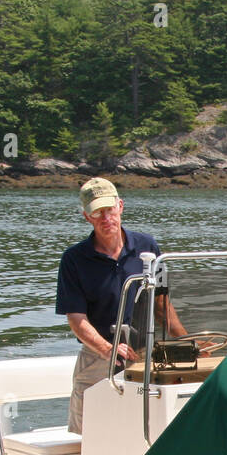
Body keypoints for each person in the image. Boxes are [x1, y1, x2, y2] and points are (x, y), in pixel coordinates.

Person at [55, 177, 184, 433]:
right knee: (89, 434)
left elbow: (162, 304)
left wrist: (186, 341)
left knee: (147, 427)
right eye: (97, 213)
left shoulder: (147, 247)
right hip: (97, 357)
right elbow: (76, 319)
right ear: (86, 216)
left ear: (121, 207)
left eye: (110, 210)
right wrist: (108, 349)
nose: (106, 219)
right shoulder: (73, 259)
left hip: (145, 354)